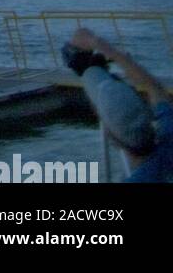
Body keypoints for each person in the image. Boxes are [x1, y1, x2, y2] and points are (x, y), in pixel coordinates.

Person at [65, 27, 173, 182]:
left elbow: (154, 89)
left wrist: (98, 46)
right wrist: (108, 51)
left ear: (112, 140)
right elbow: (155, 88)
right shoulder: (169, 145)